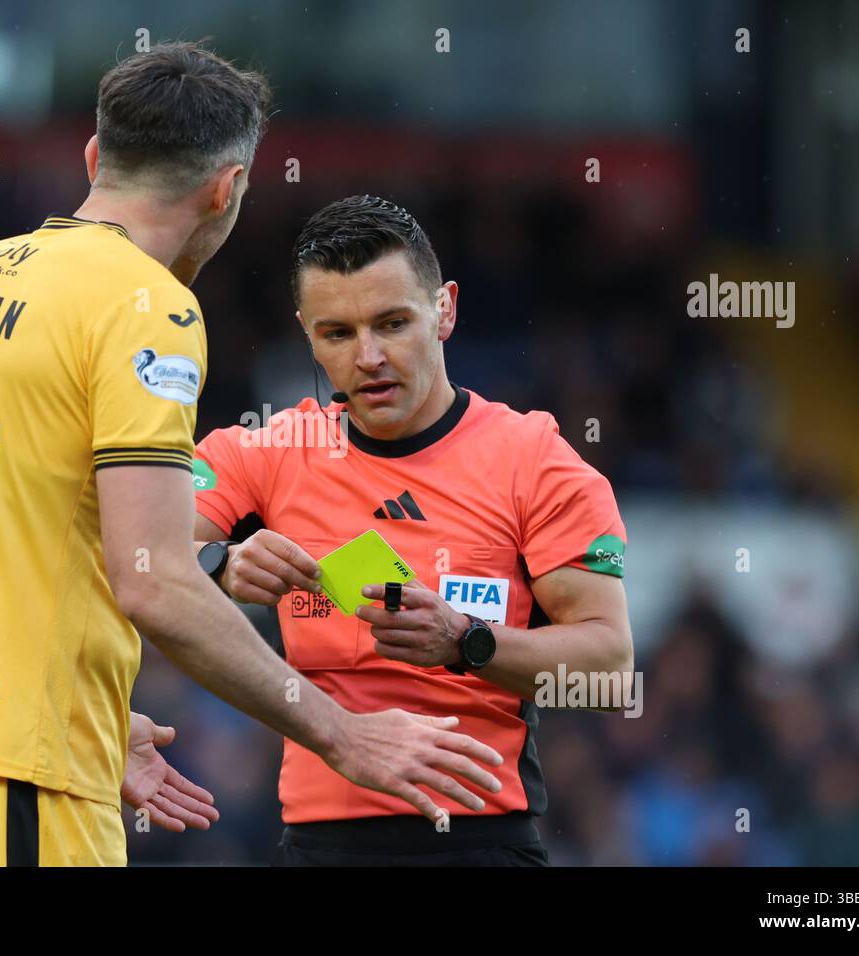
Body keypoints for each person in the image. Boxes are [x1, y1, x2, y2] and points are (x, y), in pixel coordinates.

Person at [0, 47, 502, 867]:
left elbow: (20, 525)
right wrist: (343, 734)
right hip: (19, 782)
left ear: (96, 159)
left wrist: (88, 707)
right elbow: (153, 577)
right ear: (226, 189)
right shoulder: (148, 309)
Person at [193, 195, 634, 866]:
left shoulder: (537, 460)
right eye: (337, 333)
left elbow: (610, 671)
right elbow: (135, 546)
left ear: (445, 309)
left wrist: (467, 642)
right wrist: (218, 563)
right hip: (318, 845)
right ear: (305, 333)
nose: (368, 356)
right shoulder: (267, 452)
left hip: (478, 842)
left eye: (393, 323)